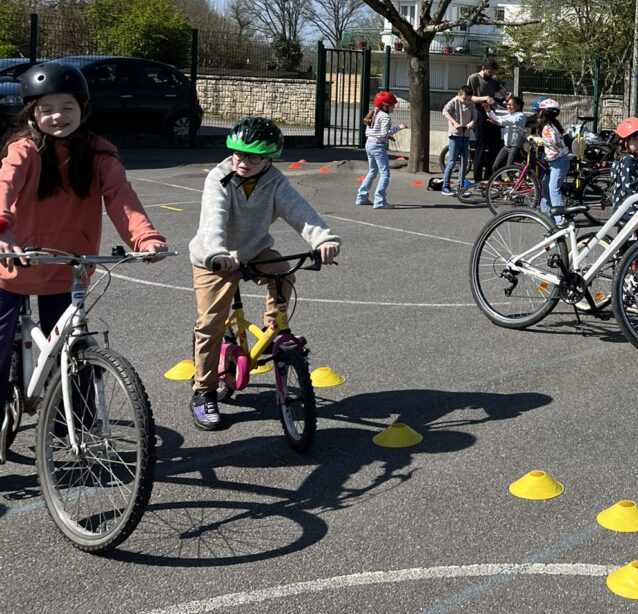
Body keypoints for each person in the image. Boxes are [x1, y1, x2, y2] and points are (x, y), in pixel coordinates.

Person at [0, 63, 169, 451]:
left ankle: (79, 435)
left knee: (74, 355)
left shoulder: (98, 153)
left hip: (65, 267)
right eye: (47, 109)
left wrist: (145, 238)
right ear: (32, 114)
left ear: (84, 110)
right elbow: (4, 185)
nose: (58, 116)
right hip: (14, 262)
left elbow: (122, 199)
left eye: (68, 107)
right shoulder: (23, 149)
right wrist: (2, 226)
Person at [188, 116, 340, 430]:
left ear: (269, 158)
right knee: (211, 323)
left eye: (253, 156)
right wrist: (217, 254)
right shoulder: (219, 178)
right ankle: (203, 392)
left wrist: (323, 240)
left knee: (284, 273)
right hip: (213, 256)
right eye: (238, 153)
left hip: (255, 250)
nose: (243, 162)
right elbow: (213, 219)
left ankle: (274, 329)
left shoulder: (274, 181)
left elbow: (300, 212)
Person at [357, 90, 405, 209]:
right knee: (385, 174)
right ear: (385, 105)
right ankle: (380, 201)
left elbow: (370, 132)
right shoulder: (385, 117)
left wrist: (388, 136)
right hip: (378, 146)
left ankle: (361, 197)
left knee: (372, 171)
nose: (394, 106)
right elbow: (383, 134)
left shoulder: (374, 113)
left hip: (369, 144)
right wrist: (398, 128)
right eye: (392, 105)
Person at [466, 58, 508, 183]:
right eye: (490, 72)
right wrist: (485, 98)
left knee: (495, 143)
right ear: (483, 68)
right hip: (479, 113)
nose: (492, 74)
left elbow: (502, 91)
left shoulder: (493, 80)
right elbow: (470, 97)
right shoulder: (474, 78)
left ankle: (490, 175)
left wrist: (507, 97)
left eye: (494, 72)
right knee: (481, 144)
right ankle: (477, 177)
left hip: (491, 112)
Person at [439, 85, 481, 195]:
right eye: (464, 99)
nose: (466, 102)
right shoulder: (454, 101)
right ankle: (445, 186)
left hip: (466, 135)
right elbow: (445, 112)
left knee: (465, 161)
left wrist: (472, 123)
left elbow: (475, 117)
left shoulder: (471, 104)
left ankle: (460, 186)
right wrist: (454, 123)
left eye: (469, 99)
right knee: (452, 161)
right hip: (455, 135)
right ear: (459, 95)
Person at [536, 98, 570, 223]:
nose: (538, 114)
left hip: (558, 162)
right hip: (556, 161)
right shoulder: (552, 125)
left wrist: (537, 140)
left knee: (553, 189)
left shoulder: (547, 128)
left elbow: (552, 141)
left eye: (540, 111)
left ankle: (561, 219)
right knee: (545, 186)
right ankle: (546, 213)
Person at [611, 116, 638, 212]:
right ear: (626, 142)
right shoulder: (629, 160)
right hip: (627, 210)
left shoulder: (631, 158)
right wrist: (634, 214)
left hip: (626, 209)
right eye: (635, 139)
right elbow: (628, 189)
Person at [485, 94, 528, 175]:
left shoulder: (520, 116)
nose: (508, 106)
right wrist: (488, 111)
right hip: (506, 146)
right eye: (507, 105)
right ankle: (499, 184)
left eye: (511, 105)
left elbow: (506, 121)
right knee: (495, 166)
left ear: (518, 106)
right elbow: (499, 119)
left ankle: (513, 186)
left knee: (509, 169)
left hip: (515, 147)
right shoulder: (510, 115)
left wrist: (497, 122)